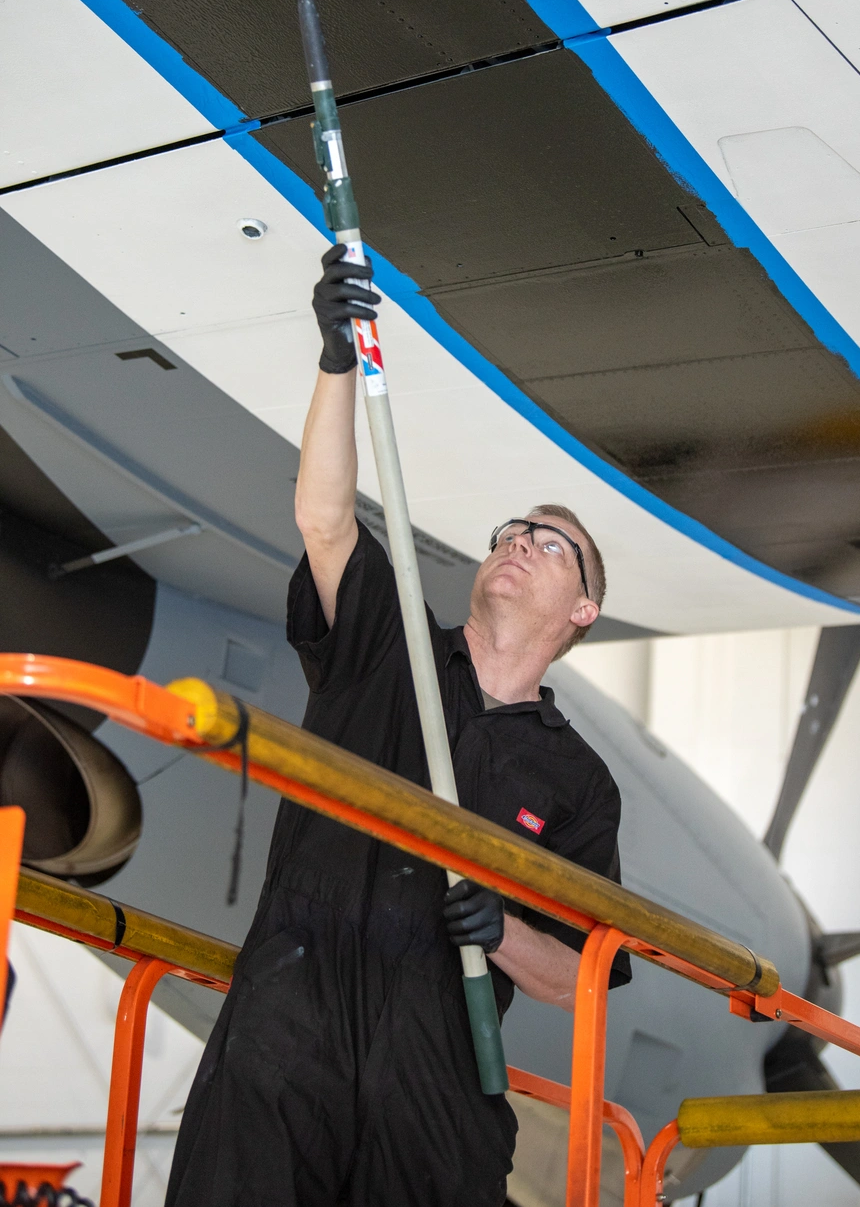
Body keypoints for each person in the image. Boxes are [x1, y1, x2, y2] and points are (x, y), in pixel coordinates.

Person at [165, 246, 631, 1207]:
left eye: (549, 546)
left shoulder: (579, 784)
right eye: (508, 532)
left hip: (436, 1079)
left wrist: (500, 932)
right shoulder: (390, 646)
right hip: (287, 1028)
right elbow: (325, 517)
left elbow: (574, 977)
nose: (516, 545)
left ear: (582, 609)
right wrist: (339, 360)